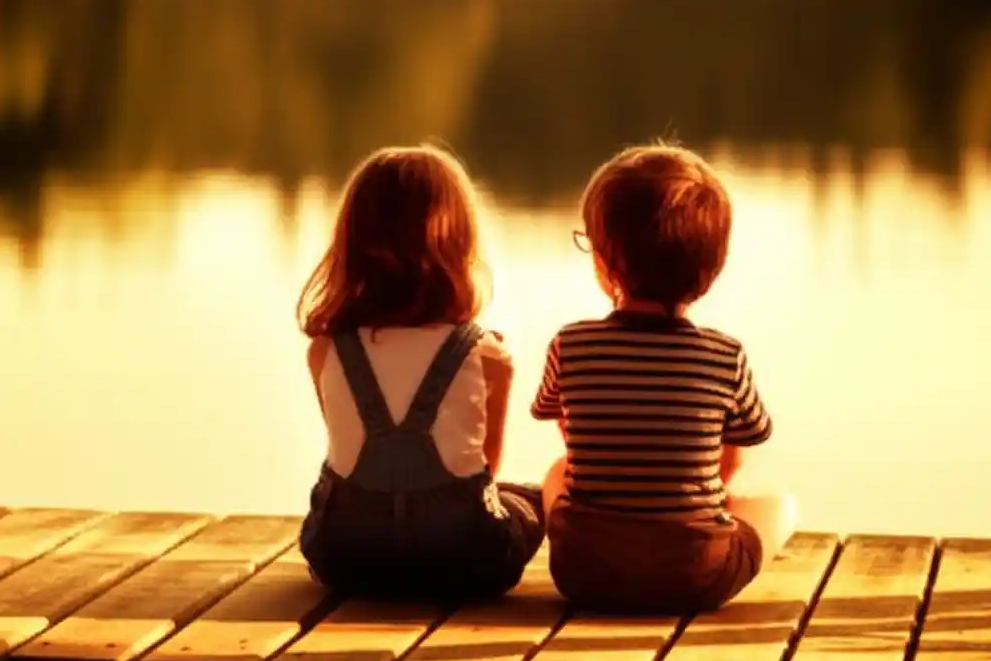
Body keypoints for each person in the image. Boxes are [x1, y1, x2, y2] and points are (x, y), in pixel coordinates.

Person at [532, 144, 799, 613]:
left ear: (603, 263)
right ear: (711, 272)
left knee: (556, 472)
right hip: (696, 576)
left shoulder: (571, 345)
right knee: (780, 505)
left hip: (585, 573)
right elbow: (731, 460)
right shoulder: (724, 355)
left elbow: (573, 446)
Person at [297, 144, 544, 600]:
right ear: (458, 245)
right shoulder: (487, 355)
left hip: (347, 559)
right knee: (528, 499)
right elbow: (485, 472)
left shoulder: (325, 350)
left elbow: (348, 454)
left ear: (352, 243)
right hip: (465, 562)